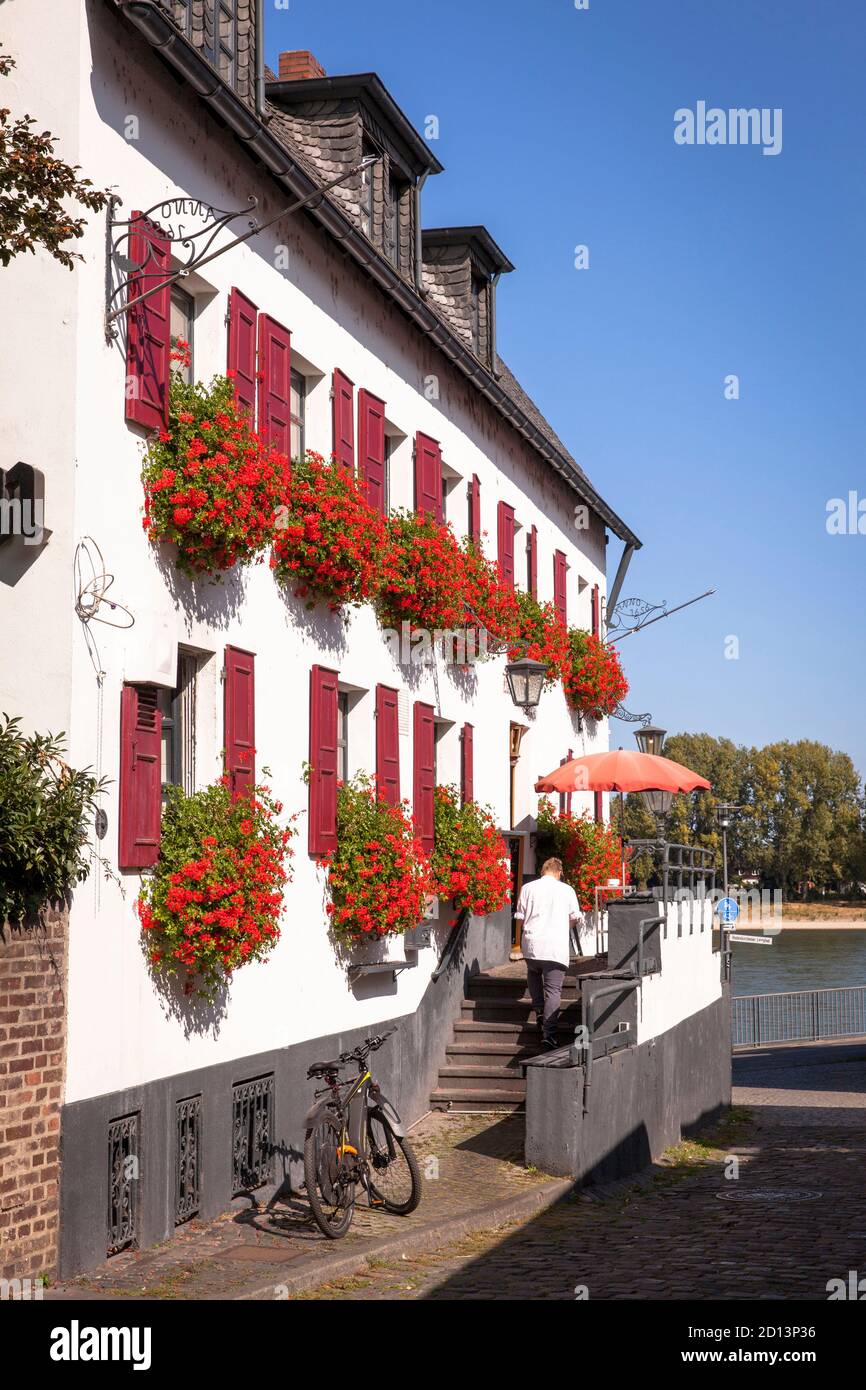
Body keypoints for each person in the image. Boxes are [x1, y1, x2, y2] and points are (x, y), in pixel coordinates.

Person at [514, 857, 580, 1049]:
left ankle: (539, 1010)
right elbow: (574, 918)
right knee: (553, 990)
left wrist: (522, 940)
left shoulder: (528, 888)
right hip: (555, 947)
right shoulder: (567, 890)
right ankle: (549, 1034)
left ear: (543, 870)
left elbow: (520, 916)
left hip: (532, 944)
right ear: (559, 872)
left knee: (534, 974)